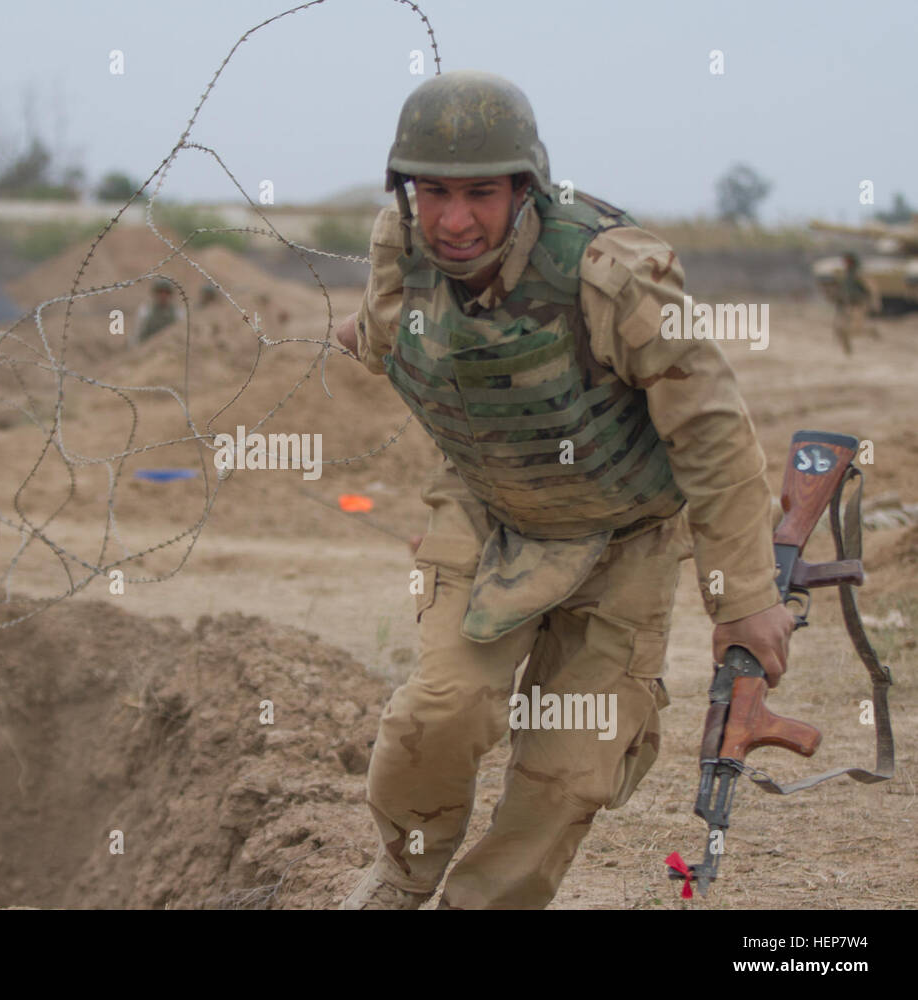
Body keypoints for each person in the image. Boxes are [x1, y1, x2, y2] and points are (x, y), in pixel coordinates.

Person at [332, 71, 793, 909]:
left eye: (480, 193)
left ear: (525, 187)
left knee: (570, 769)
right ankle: (401, 880)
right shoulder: (400, 247)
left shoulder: (615, 275)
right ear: (405, 193)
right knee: (443, 709)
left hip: (626, 540)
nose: (454, 219)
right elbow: (384, 334)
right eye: (432, 192)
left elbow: (713, 433)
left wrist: (743, 596)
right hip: (486, 515)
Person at [831, 252, 881, 355]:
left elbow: (872, 288)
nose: (845, 263)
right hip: (848, 304)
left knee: (856, 329)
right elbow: (844, 288)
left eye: (847, 261)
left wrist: (875, 302)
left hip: (859, 304)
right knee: (839, 328)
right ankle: (847, 347)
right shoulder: (847, 273)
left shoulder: (859, 273)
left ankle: (871, 331)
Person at [131, 278, 184, 347]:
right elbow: (138, 336)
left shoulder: (177, 313)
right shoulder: (146, 311)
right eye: (160, 292)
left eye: (166, 293)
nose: (163, 296)